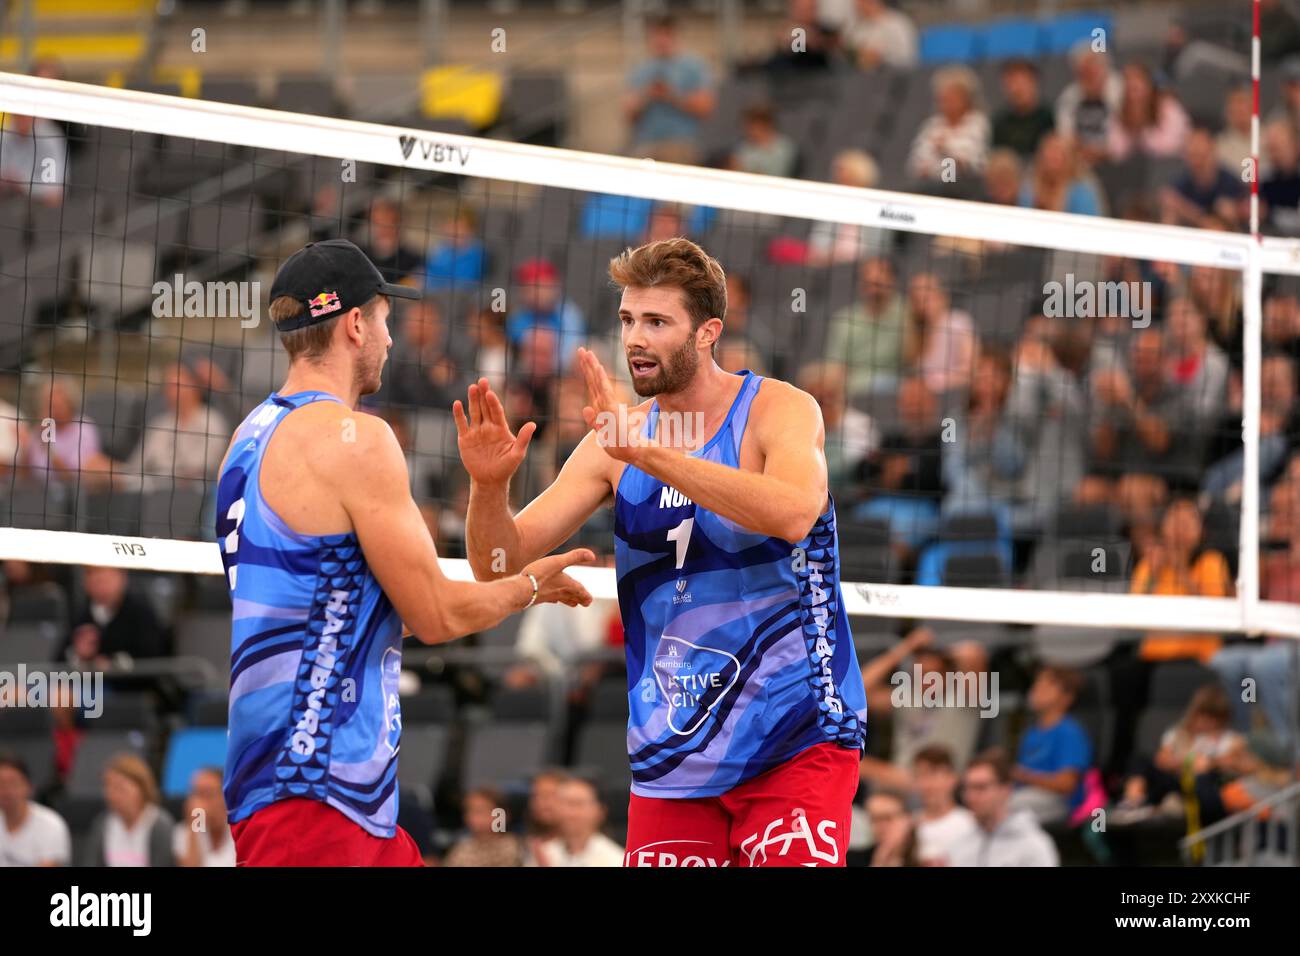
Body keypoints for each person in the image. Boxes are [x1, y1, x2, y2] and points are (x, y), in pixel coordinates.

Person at [455, 237, 867, 867]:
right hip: (673, 748)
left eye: (656, 322)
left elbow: (793, 511)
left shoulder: (778, 409)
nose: (636, 338)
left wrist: (647, 454)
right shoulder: (614, 443)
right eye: (627, 320)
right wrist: (489, 489)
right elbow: (495, 565)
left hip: (795, 730)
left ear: (707, 333)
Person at [215, 239, 595, 867]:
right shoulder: (359, 440)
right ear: (355, 324)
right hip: (316, 787)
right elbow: (435, 615)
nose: (392, 338)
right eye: (385, 318)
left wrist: (487, 490)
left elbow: (339, 600)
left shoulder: (245, 438)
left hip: (301, 787)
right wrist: (529, 586)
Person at [624, 14, 714, 164]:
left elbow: (705, 107)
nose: (660, 40)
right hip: (646, 143)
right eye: (656, 35)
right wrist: (647, 95)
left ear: (675, 35)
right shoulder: (641, 69)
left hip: (680, 142)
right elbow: (628, 114)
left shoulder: (693, 66)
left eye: (665, 34)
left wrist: (672, 96)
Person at [1009, 666, 1092, 825]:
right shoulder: (1031, 733)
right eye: (1036, 684)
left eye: (1047, 686)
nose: (1037, 690)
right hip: (1025, 795)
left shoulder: (1069, 732)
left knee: (1004, 808)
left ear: (1067, 697)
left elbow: (1067, 784)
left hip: (1060, 802)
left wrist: (1024, 775)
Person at [948, 749, 1060, 867]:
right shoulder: (959, 843)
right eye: (967, 788)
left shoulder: (1034, 846)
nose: (970, 797)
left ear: (1006, 789)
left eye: (980, 787)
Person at [83, 754, 175, 867]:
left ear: (141, 788)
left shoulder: (160, 824)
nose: (112, 795)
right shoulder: (103, 824)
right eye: (108, 787)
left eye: (120, 788)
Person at [527, 776, 624, 867]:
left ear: (600, 811)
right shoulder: (545, 852)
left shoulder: (616, 859)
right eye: (563, 803)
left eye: (577, 804)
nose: (569, 813)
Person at [0, 754, 71, 866]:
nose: (6, 791)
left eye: (12, 783)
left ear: (29, 787)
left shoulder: (51, 824)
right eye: (1, 784)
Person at [912, 744, 977, 866]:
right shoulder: (908, 825)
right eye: (920, 775)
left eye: (933, 774)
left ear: (953, 778)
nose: (927, 784)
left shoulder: (972, 823)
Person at [991, 59, 1055, 160]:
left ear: (1035, 82)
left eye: (1022, 82)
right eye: (1011, 83)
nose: (1016, 89)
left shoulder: (1049, 117)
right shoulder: (1000, 122)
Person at [444, 787, 524, 867]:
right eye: (469, 810)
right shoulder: (461, 850)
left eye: (480, 811)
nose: (473, 817)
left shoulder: (514, 847)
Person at [173, 767, 236, 867]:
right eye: (196, 793)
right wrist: (195, 825)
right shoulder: (183, 832)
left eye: (208, 793)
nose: (199, 801)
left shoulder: (239, 828)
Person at [843, 0, 918, 69]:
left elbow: (907, 56)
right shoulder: (857, 26)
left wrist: (880, 57)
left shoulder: (897, 24)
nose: (858, 8)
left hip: (894, 76)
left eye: (861, 3)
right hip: (861, 77)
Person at [864, 790, 920, 866]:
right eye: (875, 819)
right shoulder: (854, 859)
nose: (881, 826)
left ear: (907, 819)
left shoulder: (925, 855)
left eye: (888, 818)